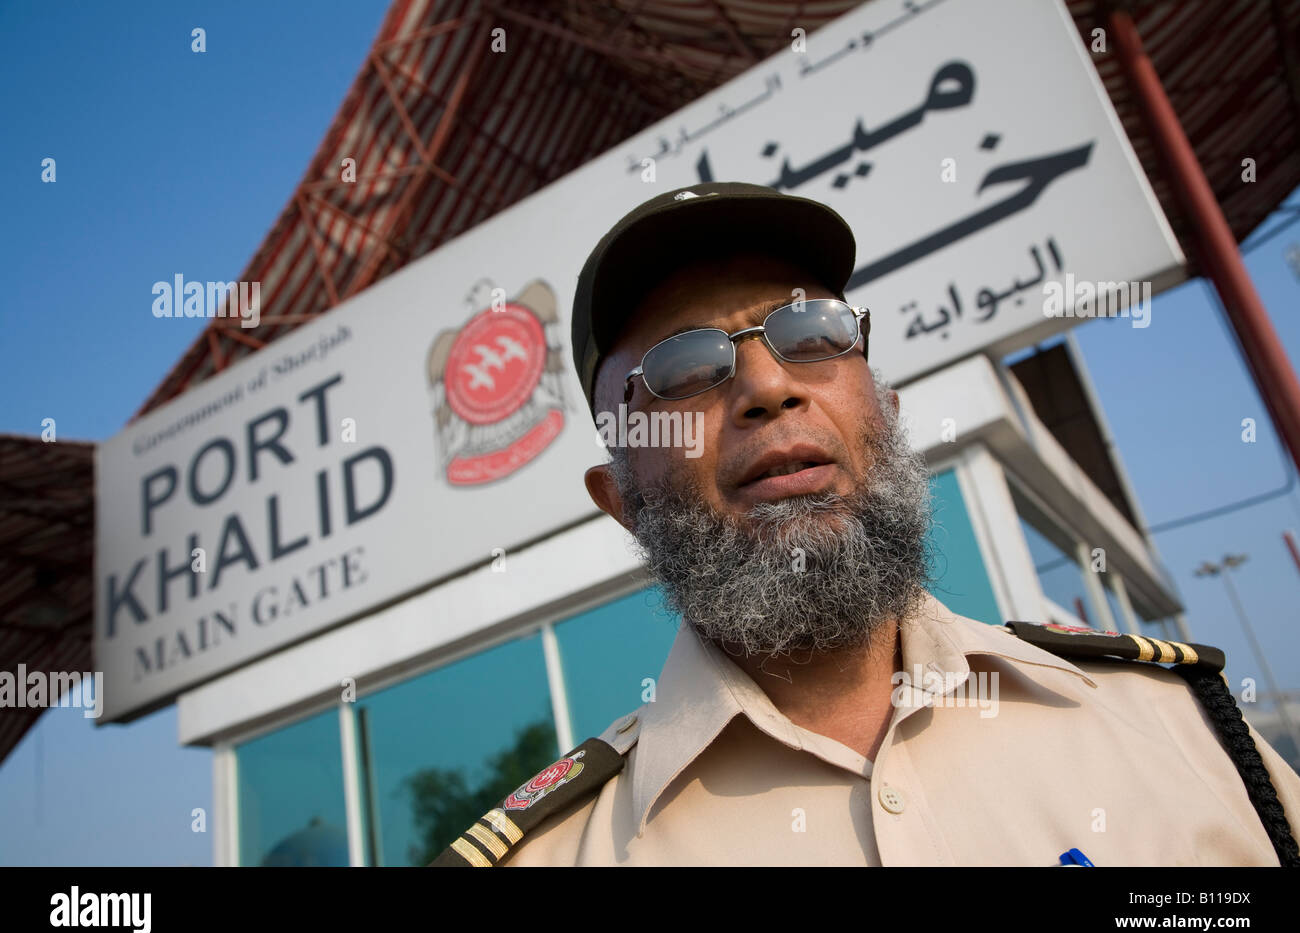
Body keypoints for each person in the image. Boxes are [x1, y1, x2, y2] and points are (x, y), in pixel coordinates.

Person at [431, 182, 1300, 867]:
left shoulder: (1173, 727)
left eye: (813, 333)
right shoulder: (550, 855)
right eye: (684, 366)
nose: (769, 387)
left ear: (884, 410)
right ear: (622, 499)